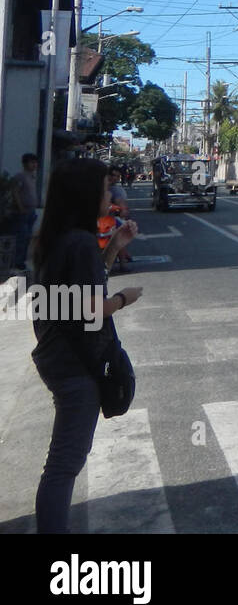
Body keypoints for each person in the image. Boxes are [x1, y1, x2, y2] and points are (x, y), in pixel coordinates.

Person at [30, 158, 141, 534]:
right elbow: (91, 309)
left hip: (59, 356)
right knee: (64, 465)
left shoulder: (61, 238)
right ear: (85, 195)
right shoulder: (78, 243)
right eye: (104, 188)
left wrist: (112, 247)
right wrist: (125, 299)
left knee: (65, 461)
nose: (109, 194)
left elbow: (80, 295)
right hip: (75, 363)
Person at [14, 152, 39, 272]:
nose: (34, 165)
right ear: (25, 163)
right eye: (31, 162)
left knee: (28, 237)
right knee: (22, 236)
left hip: (32, 210)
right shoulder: (21, 176)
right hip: (23, 210)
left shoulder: (32, 177)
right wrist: (20, 207)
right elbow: (16, 192)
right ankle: (18, 261)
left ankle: (23, 260)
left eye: (35, 162)